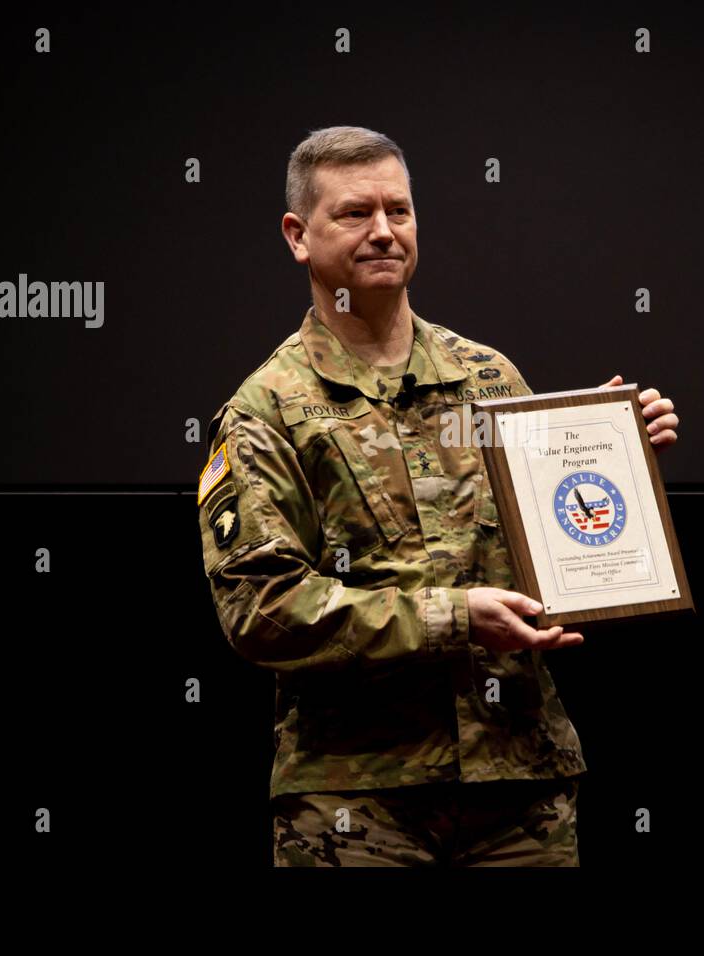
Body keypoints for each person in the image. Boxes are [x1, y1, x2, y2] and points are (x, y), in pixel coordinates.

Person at [196, 126, 679, 866]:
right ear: (298, 235)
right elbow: (260, 611)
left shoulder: (488, 379)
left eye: (399, 210)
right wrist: (453, 617)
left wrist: (614, 455)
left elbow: (548, 547)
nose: (383, 231)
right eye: (355, 213)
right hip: (357, 804)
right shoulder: (267, 411)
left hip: (521, 787)